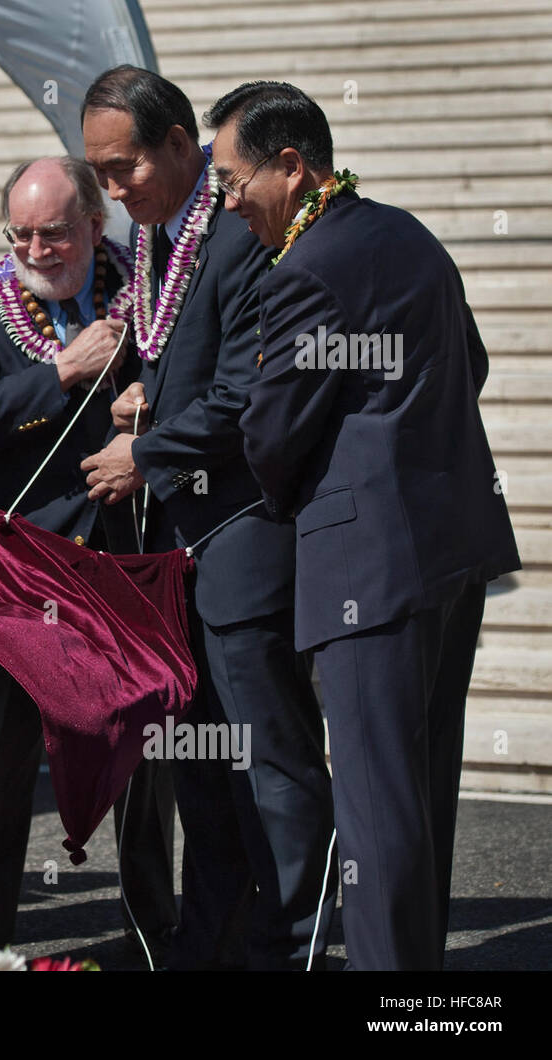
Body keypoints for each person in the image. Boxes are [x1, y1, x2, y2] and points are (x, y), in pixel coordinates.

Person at [206, 81, 521, 970]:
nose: (228, 203)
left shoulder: (306, 269)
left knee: (377, 812)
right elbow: (476, 361)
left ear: (294, 166)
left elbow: (271, 434)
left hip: (369, 570)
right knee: (419, 794)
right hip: (450, 549)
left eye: (234, 181)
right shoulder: (405, 231)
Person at [80, 66, 336, 969]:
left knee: (270, 760)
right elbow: (194, 364)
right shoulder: (158, 237)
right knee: (202, 767)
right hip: (179, 550)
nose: (112, 191)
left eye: (124, 169)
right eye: (99, 174)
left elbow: (246, 395)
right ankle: (216, 935)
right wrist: (150, 394)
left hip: (243, 540)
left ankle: (298, 940)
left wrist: (144, 453)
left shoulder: (237, 235)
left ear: (182, 145)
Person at [0, 156, 176, 948]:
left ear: (96, 225)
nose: (37, 250)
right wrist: (62, 372)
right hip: (19, 574)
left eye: (56, 232)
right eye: (22, 234)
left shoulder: (152, 293)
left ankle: (155, 938)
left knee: (146, 772)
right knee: (1, 778)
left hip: (130, 561)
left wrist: (149, 410)